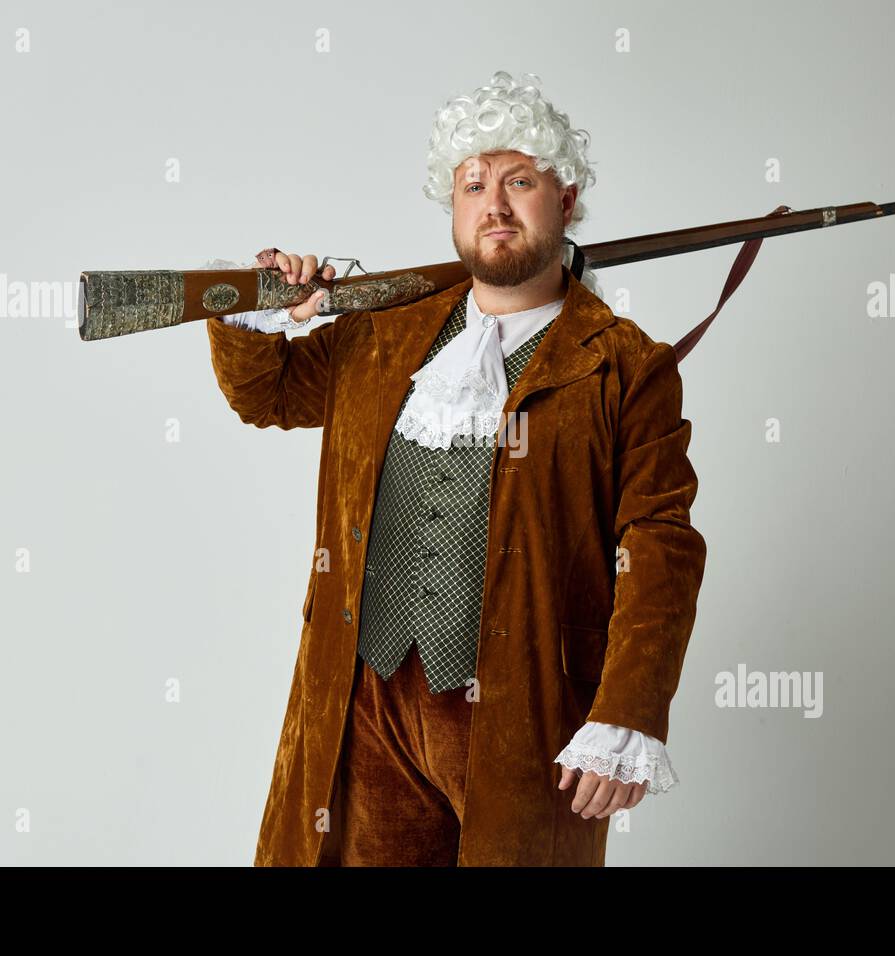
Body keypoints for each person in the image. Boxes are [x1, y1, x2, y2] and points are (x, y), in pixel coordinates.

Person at [206, 70, 706, 866]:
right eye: (474, 185)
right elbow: (267, 395)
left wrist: (628, 710)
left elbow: (660, 539)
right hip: (365, 696)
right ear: (454, 207)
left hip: (527, 711)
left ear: (564, 202)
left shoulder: (624, 363)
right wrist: (256, 309)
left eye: (520, 181)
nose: (495, 204)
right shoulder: (382, 334)